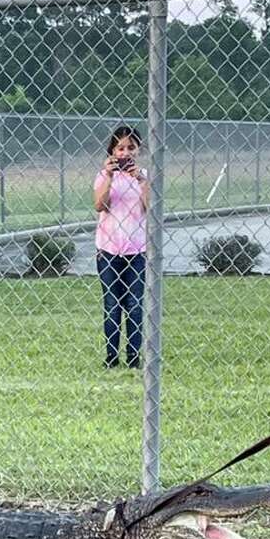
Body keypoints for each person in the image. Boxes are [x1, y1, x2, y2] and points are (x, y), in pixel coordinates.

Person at [93, 125, 149, 370]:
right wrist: (110, 175)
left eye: (131, 148)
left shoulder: (145, 176)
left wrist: (142, 181)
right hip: (108, 250)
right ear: (112, 151)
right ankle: (112, 356)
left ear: (138, 150)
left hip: (137, 250)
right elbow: (99, 205)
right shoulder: (104, 175)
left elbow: (150, 207)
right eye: (120, 148)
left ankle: (134, 357)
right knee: (112, 305)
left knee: (135, 305)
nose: (125, 153)